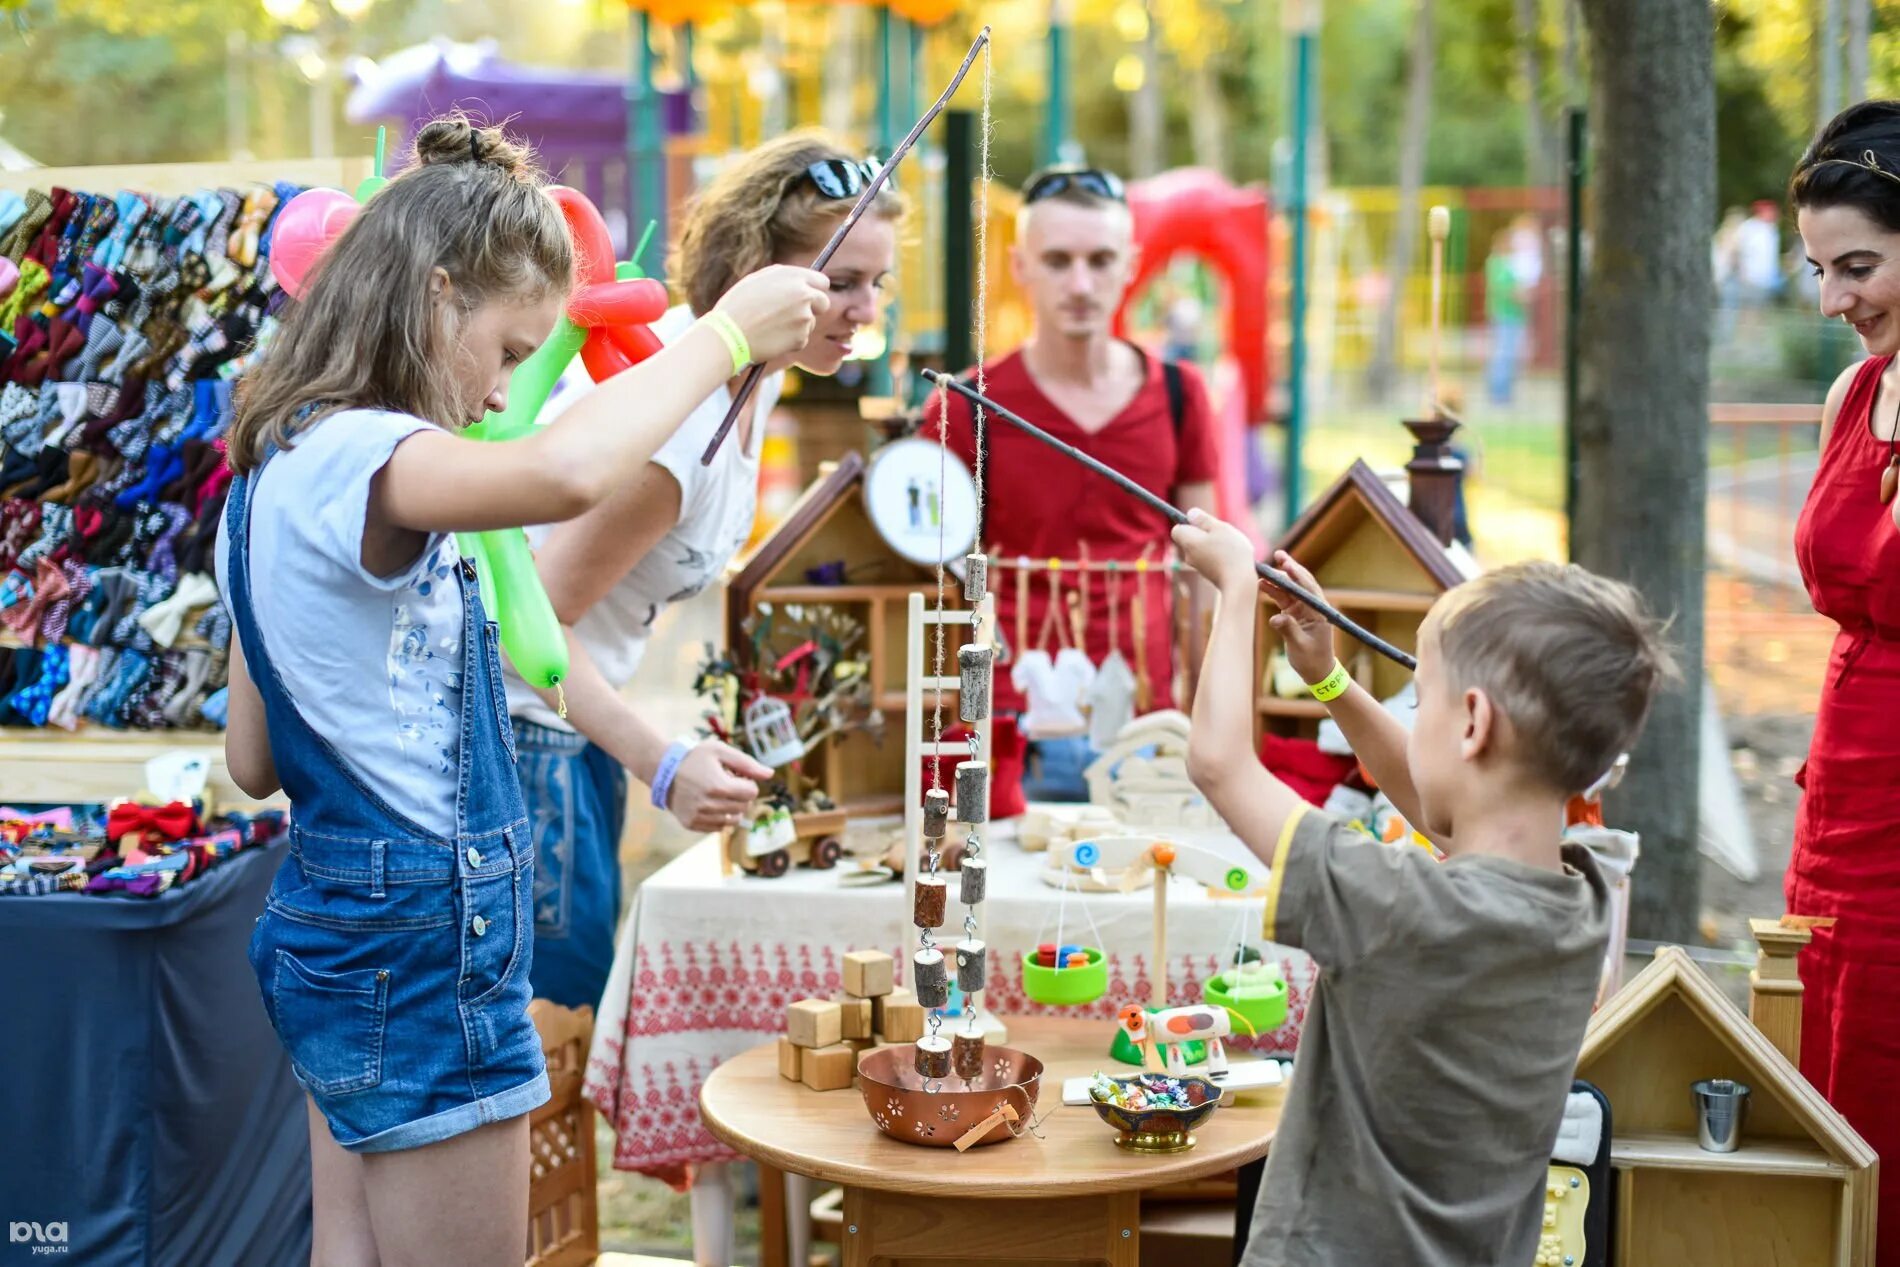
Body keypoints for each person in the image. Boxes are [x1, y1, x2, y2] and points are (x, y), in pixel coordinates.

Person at [217, 117, 827, 1265]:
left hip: (329, 915)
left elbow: (253, 760)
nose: (505, 389)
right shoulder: (372, 453)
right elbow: (561, 473)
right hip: (423, 926)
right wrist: (724, 342)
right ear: (437, 297)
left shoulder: (267, 470)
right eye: (505, 350)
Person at [1172, 509, 1673, 1266]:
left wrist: (1235, 586)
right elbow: (1454, 819)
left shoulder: (1397, 903)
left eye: (1421, 695)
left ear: (1472, 722)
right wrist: (1330, 678)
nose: (1414, 718)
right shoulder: (1581, 901)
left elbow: (1218, 763)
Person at [500, 132, 904, 1015]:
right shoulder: (684, 417)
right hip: (530, 752)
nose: (865, 308)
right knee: (547, 1039)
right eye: (841, 281)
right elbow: (524, 621)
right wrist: (666, 761)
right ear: (758, 271)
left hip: (568, 742)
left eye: (879, 283)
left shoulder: (745, 380)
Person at [928, 164, 1220, 804]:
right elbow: (929, 582)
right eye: (1057, 260)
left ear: (1132, 265)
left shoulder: (1180, 395)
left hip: (1149, 731)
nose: (1081, 284)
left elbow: (1206, 573)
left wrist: (1208, 717)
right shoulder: (967, 405)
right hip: (1006, 735)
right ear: (1020, 265)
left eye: (1100, 259)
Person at [1787, 98, 1900, 1265]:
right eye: (1819, 269)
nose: (1832, 300)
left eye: (1857, 265)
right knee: (1825, 1084)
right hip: (1838, 807)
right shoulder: (1853, 398)